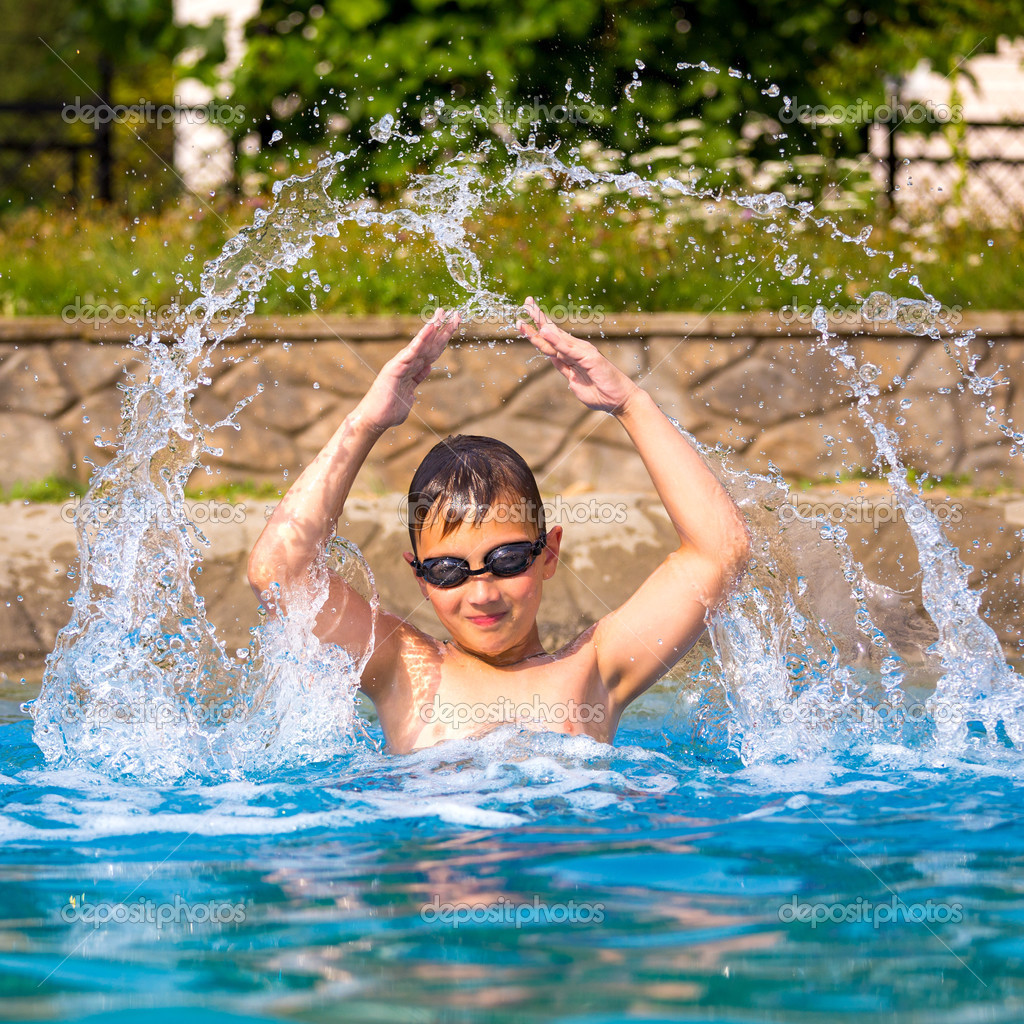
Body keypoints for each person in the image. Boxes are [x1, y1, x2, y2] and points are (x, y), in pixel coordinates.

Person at [247, 297, 750, 753]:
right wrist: (365, 423)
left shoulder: (595, 669)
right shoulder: (401, 667)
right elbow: (278, 572)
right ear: (419, 574)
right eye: (447, 570)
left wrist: (632, 405)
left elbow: (719, 552)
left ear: (549, 553)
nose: (482, 593)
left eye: (507, 560)